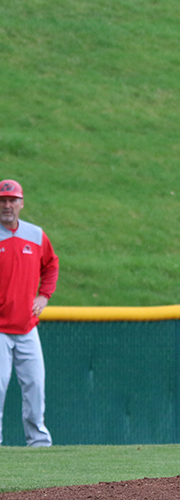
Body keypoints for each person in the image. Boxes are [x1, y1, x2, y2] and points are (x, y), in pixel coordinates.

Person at [0, 179, 58, 447]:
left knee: (35, 386)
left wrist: (44, 295)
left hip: (26, 327)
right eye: (2, 201)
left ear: (21, 204)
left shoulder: (35, 235)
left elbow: (51, 264)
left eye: (12, 200)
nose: (7, 205)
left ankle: (38, 443)